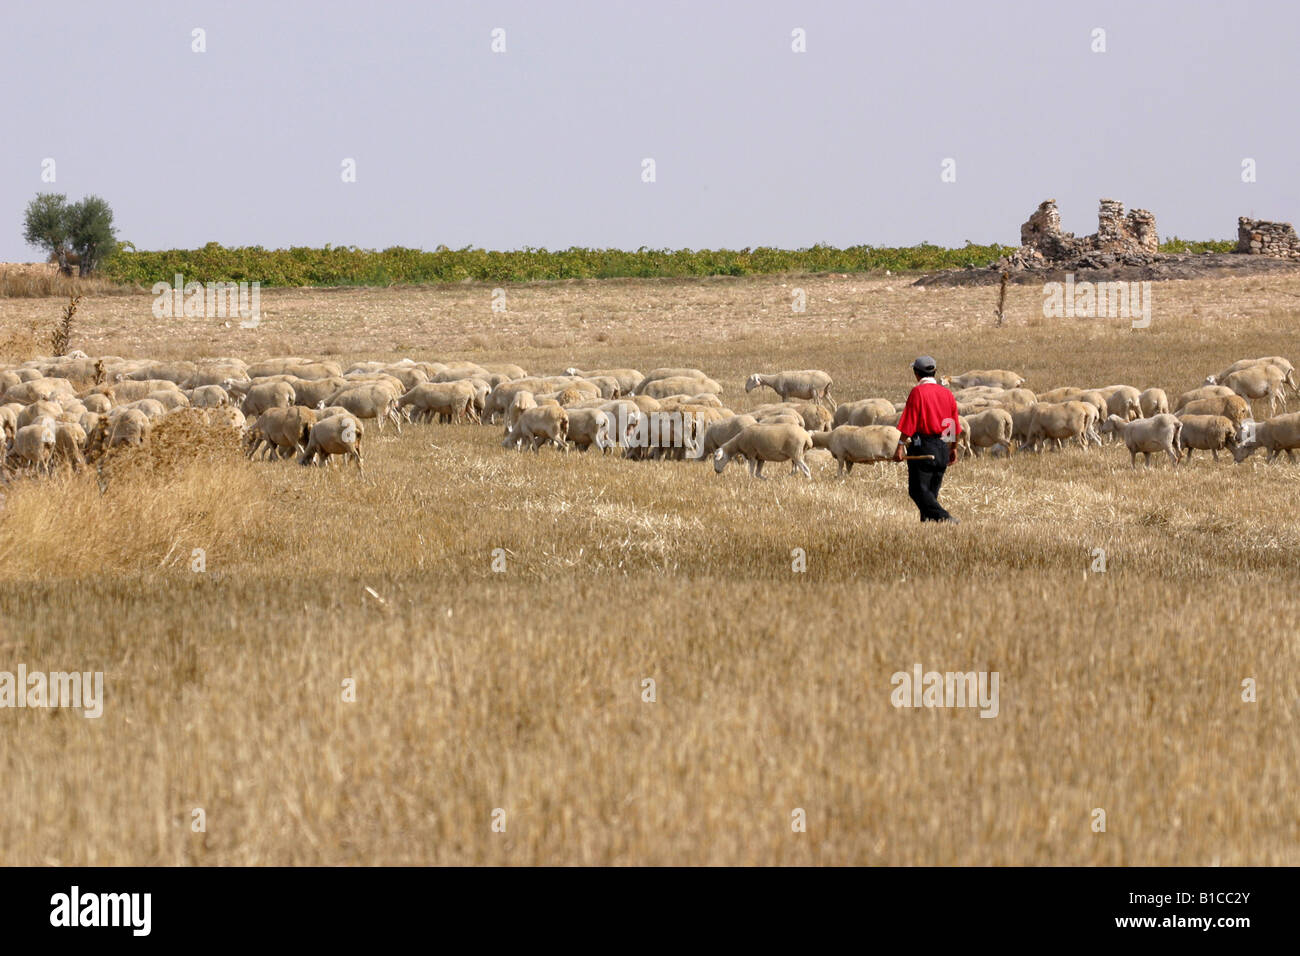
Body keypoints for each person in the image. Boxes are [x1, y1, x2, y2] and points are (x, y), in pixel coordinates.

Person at [891, 356, 961, 523]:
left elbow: (910, 421)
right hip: (943, 447)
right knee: (930, 493)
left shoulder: (918, 392)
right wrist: (953, 448)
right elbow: (954, 425)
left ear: (916, 374)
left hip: (924, 447)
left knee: (917, 491)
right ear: (934, 372)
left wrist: (900, 446)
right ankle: (928, 526)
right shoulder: (947, 393)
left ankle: (945, 518)